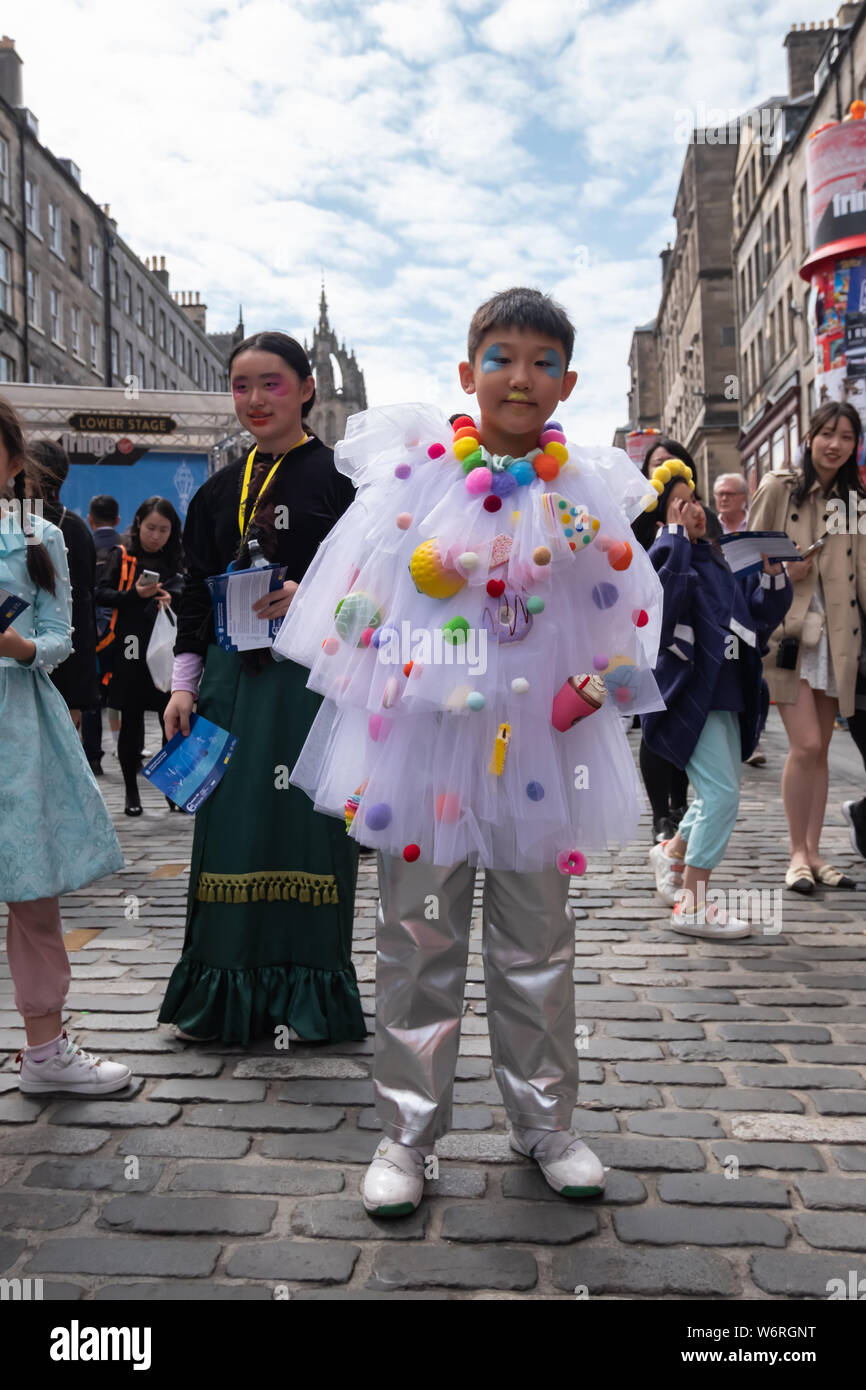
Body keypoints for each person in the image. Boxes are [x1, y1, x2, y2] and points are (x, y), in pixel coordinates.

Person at [277, 287, 665, 1214]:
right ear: (468, 372)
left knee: (538, 937)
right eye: (501, 358)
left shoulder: (589, 487)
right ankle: (407, 1132)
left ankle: (544, 1122)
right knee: (416, 937)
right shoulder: (421, 474)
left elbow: (622, 612)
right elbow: (362, 595)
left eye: (540, 362)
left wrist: (600, 684)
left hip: (539, 742)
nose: (519, 377)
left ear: (567, 382)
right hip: (427, 738)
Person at [158, 331, 366, 1046]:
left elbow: (376, 590)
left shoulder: (344, 483)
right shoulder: (218, 491)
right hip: (228, 684)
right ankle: (223, 993)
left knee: (310, 835)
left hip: (313, 685)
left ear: (307, 388)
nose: (254, 400)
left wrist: (311, 596)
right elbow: (191, 596)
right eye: (241, 385)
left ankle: (310, 995)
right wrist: (182, 686)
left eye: (271, 383)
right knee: (230, 833)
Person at [0, 396, 131, 1095]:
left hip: (19, 726)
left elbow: (61, 635)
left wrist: (22, 647)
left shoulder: (37, 538)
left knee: (32, 892)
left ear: (14, 462)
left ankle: (45, 1053)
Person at [642, 455, 791, 937]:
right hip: (693, 696)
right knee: (721, 797)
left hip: (731, 693)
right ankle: (693, 903)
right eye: (680, 506)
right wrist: (675, 539)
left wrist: (770, 575)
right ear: (664, 519)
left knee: (716, 796)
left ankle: (670, 854)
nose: (694, 511)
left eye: (695, 500)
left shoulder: (721, 558)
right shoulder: (667, 556)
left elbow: (758, 619)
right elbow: (665, 611)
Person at [748, 401, 866, 893]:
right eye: (827, 434)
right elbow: (742, 554)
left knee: (821, 753)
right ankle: (796, 853)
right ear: (810, 435)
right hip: (790, 635)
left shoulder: (854, 501)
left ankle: (815, 854)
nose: (835, 445)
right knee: (807, 745)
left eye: (846, 437)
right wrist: (779, 572)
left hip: (839, 636)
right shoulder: (779, 486)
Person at [95, 496, 184, 816]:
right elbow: (101, 594)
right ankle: (132, 794)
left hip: (165, 648)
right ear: (138, 525)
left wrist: (171, 596)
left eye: (163, 529)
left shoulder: (177, 560)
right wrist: (135, 594)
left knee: (170, 722)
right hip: (130, 649)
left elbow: (190, 598)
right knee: (131, 721)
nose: (156, 535)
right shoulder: (122, 556)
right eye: (150, 528)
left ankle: (173, 790)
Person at [31, 441, 100, 732]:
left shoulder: (15, 523)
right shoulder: (77, 528)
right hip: (65, 661)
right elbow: (83, 610)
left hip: (29, 654)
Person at [82, 495, 124, 776]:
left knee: (93, 696)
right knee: (127, 694)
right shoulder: (128, 547)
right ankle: (128, 751)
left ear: (90, 519)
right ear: (118, 520)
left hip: (94, 634)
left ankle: (94, 756)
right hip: (125, 632)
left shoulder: (83, 545)